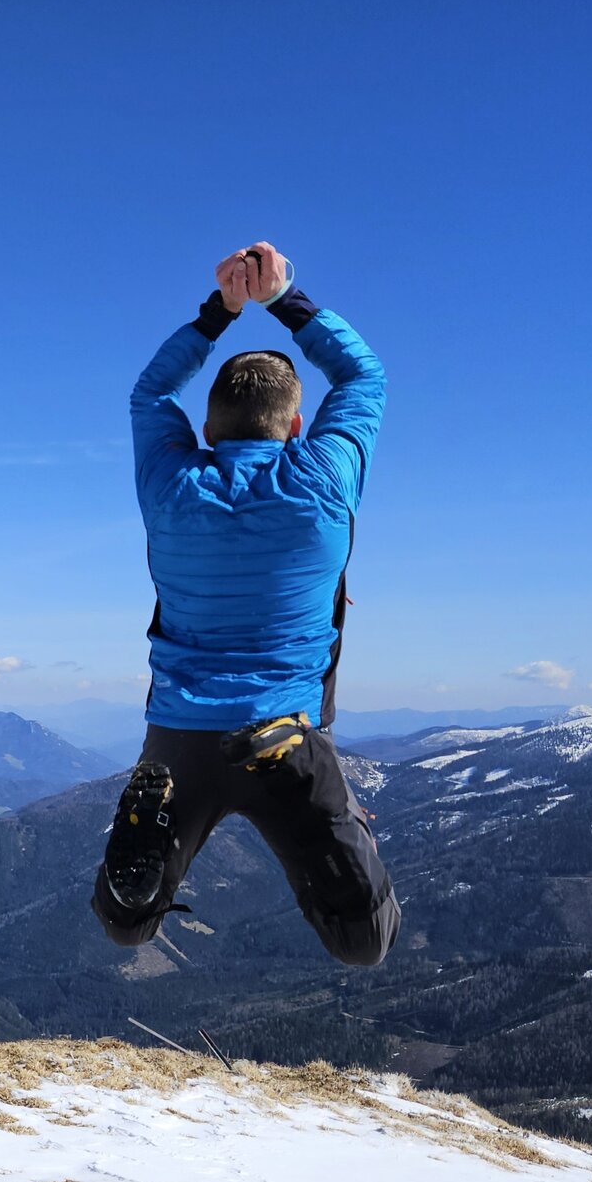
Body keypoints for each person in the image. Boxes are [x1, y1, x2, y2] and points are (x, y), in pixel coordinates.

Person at [91, 242, 400, 967]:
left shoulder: (171, 485)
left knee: (125, 924)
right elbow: (363, 374)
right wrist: (283, 297)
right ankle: (340, 832)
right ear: (296, 427)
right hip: (285, 736)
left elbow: (147, 394)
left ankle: (136, 871)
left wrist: (219, 312)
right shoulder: (321, 480)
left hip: (179, 733)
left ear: (205, 431)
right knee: (365, 940)